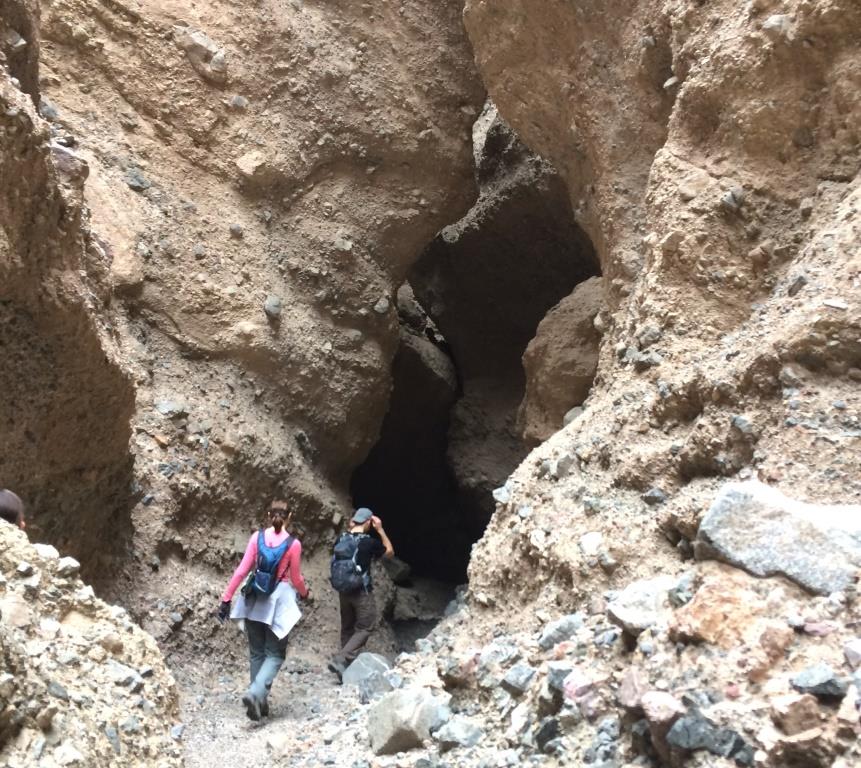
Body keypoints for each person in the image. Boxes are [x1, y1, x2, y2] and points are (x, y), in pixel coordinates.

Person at [218, 500, 309, 721]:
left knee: (257, 653)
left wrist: (226, 598)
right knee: (275, 654)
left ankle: (259, 702)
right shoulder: (293, 544)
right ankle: (256, 693)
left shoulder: (256, 538)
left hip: (254, 599)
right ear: (289, 517)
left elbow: (242, 570)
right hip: (279, 601)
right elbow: (295, 578)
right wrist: (305, 593)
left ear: (268, 515)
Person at [328, 507, 394, 679]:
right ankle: (341, 658)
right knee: (365, 626)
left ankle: (344, 670)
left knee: (347, 627)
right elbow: (389, 553)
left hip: (343, 590)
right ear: (367, 523)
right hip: (361, 591)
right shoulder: (368, 542)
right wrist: (380, 530)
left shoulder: (341, 538)